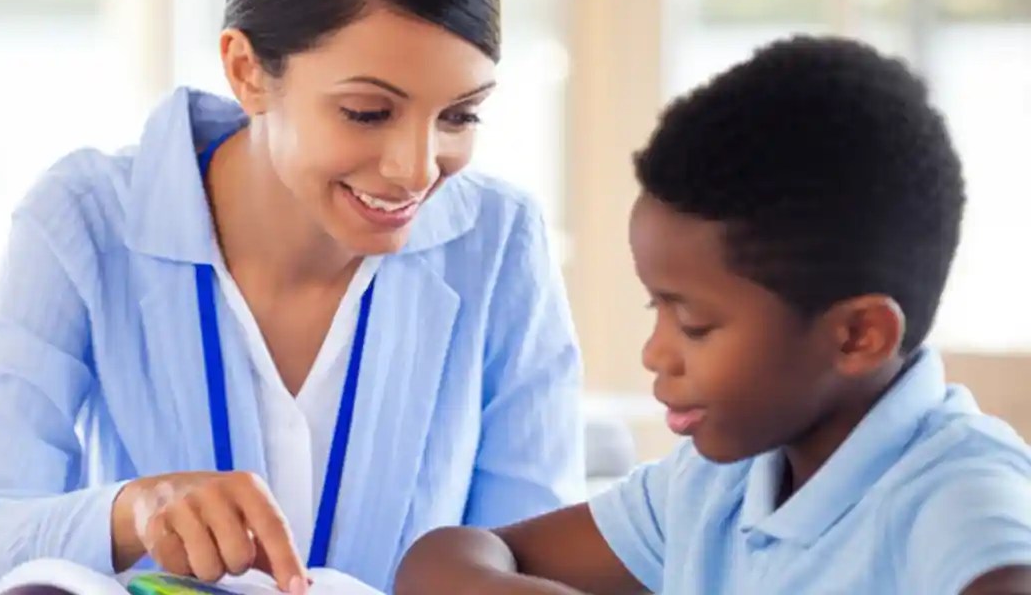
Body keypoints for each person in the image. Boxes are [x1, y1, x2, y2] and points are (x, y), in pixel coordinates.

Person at [0, 0, 585, 594]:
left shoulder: (499, 241)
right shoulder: (86, 220)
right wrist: (134, 511)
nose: (415, 168)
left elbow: (531, 559)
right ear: (246, 71)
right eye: (366, 111)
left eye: (459, 116)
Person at [393, 36, 1031, 595]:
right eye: (656, 308)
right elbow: (445, 559)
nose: (656, 354)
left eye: (694, 325)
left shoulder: (958, 498)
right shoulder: (714, 486)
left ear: (857, 336)